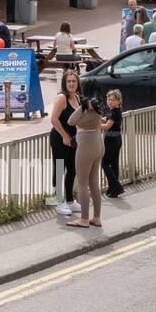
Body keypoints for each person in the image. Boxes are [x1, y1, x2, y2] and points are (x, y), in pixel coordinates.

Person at [66, 94, 105, 228]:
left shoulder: (85, 109)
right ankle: (97, 218)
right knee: (94, 182)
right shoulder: (98, 108)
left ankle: (84, 219)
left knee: (82, 184)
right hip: (98, 143)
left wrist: (82, 107)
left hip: (86, 145)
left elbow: (70, 121)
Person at [49, 71, 82, 216]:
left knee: (72, 169)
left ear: (77, 83)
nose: (71, 84)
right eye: (68, 81)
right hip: (59, 138)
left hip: (73, 139)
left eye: (74, 81)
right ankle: (59, 201)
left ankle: (69, 200)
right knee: (60, 169)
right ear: (64, 83)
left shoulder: (77, 97)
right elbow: (54, 119)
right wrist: (64, 136)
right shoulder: (62, 98)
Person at [100, 90, 125, 198]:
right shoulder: (113, 110)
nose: (110, 102)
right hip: (117, 139)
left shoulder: (115, 112)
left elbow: (106, 126)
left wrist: (94, 124)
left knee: (104, 164)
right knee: (114, 164)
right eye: (109, 99)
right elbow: (105, 119)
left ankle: (116, 187)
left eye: (113, 100)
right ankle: (113, 190)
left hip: (111, 140)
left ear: (119, 101)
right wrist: (98, 118)